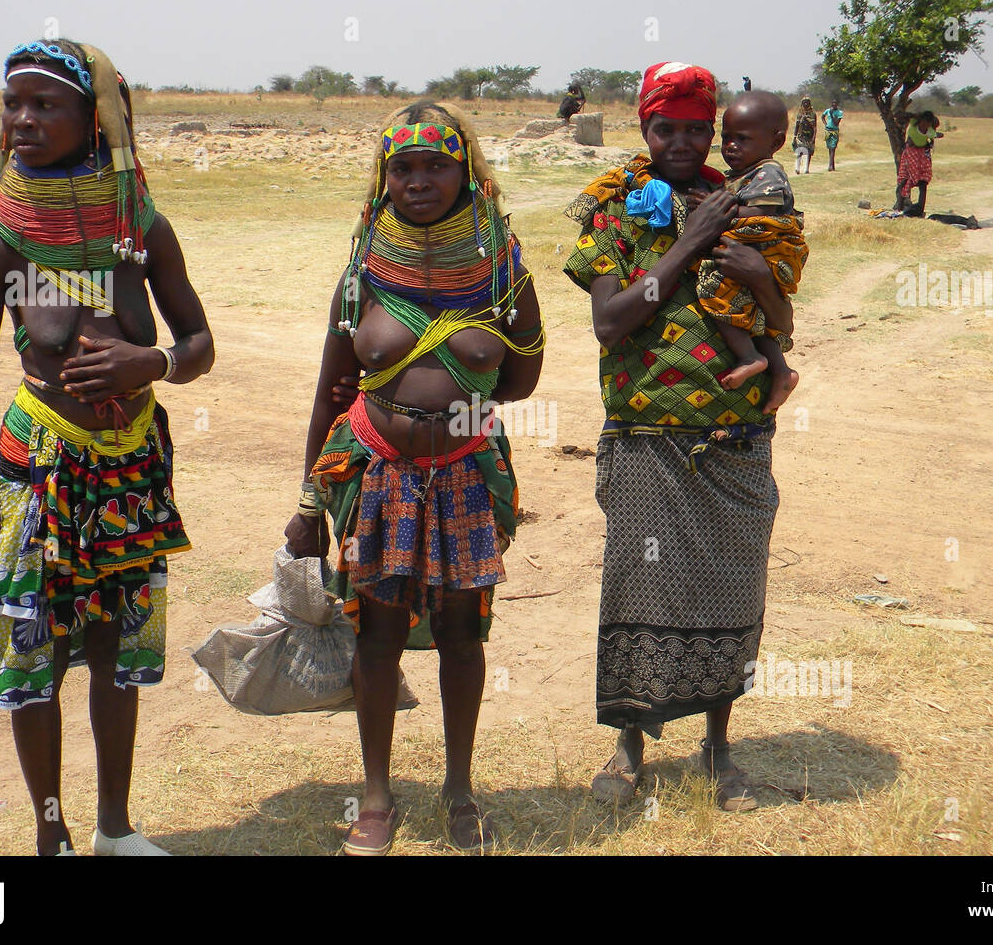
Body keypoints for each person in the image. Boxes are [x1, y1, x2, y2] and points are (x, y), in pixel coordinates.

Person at [0, 39, 214, 856]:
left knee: (117, 645)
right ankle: (54, 838)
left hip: (134, 463)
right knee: (31, 648)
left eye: (46, 105)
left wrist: (154, 362)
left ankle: (115, 828)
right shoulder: (3, 246)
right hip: (41, 462)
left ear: (95, 119)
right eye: (13, 104)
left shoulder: (140, 230)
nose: (22, 120)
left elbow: (198, 343)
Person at [285, 100, 544, 855]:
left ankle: (460, 790)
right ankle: (376, 795)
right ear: (384, 176)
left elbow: (521, 384)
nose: (420, 181)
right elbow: (330, 394)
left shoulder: (502, 274)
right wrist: (307, 503)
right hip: (380, 475)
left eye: (437, 165)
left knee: (464, 630)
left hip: (464, 473)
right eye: (403, 167)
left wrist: (463, 381)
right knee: (377, 633)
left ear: (467, 172)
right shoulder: (362, 274)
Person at [563, 62, 795, 811]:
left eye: (700, 129)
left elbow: (780, 324)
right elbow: (610, 321)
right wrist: (688, 242)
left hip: (734, 436)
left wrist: (757, 274)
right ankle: (629, 747)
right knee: (639, 588)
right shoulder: (619, 211)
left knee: (730, 591)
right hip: (643, 434)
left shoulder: (744, 202)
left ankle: (720, 751)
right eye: (670, 127)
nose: (686, 142)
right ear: (645, 128)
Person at [694, 90, 805, 409]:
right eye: (726, 137)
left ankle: (749, 356)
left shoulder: (768, 173)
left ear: (776, 142)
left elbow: (763, 215)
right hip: (756, 254)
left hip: (767, 249)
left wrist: (718, 213)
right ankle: (781, 370)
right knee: (755, 313)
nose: (730, 146)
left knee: (717, 291)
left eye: (742, 139)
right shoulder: (743, 174)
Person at [895, 110, 943, 215]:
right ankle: (899, 208)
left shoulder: (930, 131)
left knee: (923, 181)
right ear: (920, 120)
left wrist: (938, 135)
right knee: (905, 179)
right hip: (910, 153)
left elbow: (935, 134)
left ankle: (920, 209)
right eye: (923, 123)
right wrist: (913, 115)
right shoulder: (914, 123)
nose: (924, 125)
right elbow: (900, 115)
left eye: (927, 124)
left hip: (922, 154)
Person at [792, 96, 816, 174]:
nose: (805, 104)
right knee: (799, 151)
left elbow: (814, 126)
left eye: (807, 102)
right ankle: (797, 168)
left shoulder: (813, 114)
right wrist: (794, 137)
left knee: (808, 152)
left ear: (809, 103)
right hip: (801, 135)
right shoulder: (799, 114)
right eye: (804, 102)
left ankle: (806, 168)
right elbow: (797, 125)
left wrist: (814, 137)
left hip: (809, 135)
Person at [821, 98, 843, 171]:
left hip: (835, 131)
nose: (834, 104)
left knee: (833, 148)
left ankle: (830, 165)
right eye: (833, 103)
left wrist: (831, 114)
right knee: (829, 148)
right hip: (828, 130)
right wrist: (825, 124)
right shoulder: (827, 110)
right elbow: (822, 116)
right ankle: (832, 165)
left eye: (835, 103)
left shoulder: (839, 112)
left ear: (837, 104)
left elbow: (836, 123)